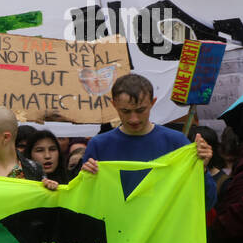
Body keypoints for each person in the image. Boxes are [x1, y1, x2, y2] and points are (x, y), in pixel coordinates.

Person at [77, 74, 215, 206]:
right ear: (114, 105)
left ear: (152, 102)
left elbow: (206, 202)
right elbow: (84, 200)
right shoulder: (99, 145)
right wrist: (86, 179)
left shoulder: (176, 142)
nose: (134, 119)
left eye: (140, 110)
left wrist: (201, 169)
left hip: (163, 228)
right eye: (125, 111)